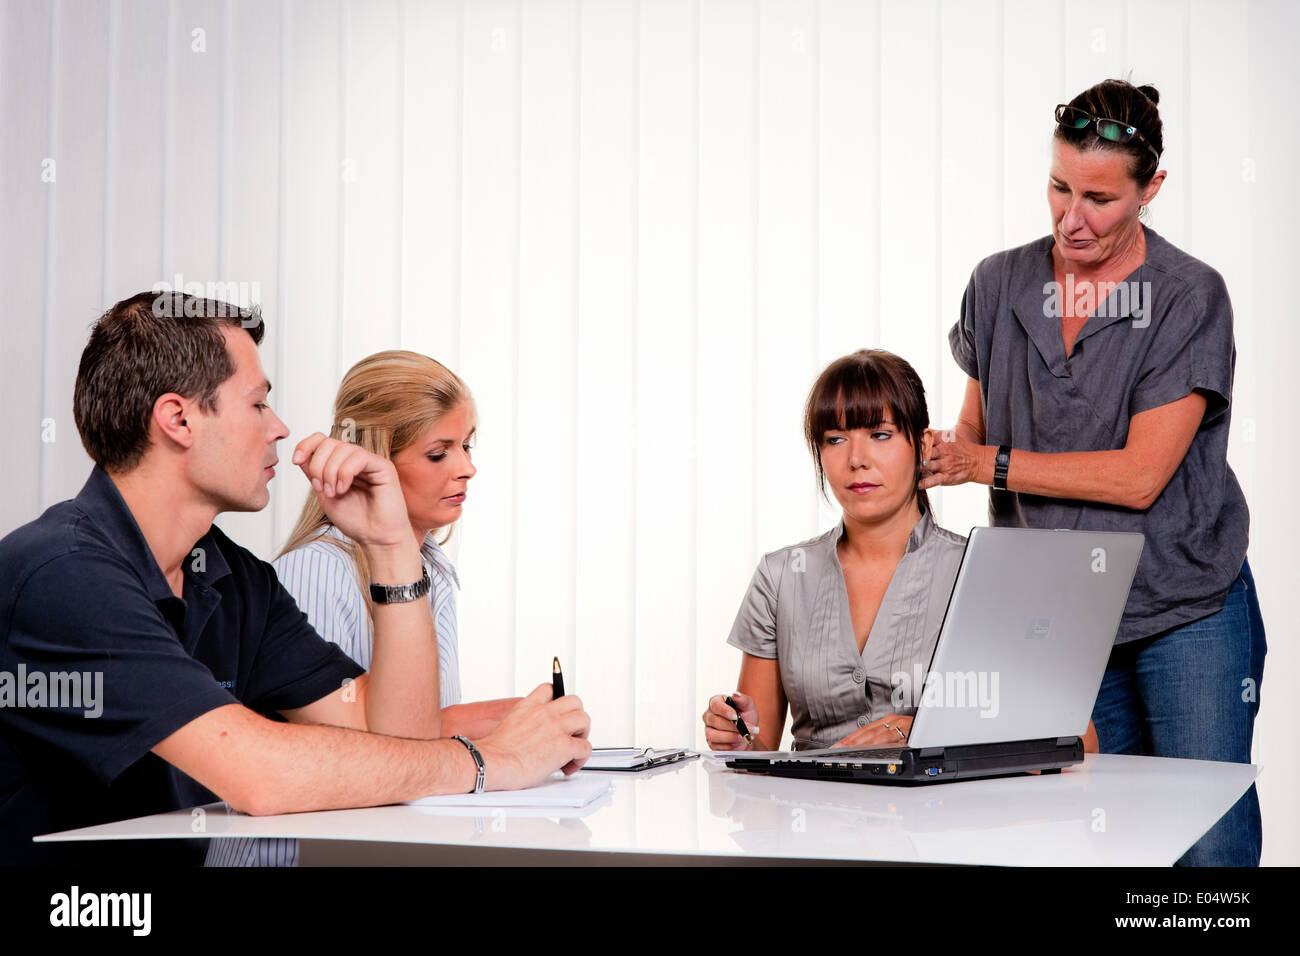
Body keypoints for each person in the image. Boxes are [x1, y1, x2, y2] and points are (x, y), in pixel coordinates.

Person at [0, 291, 591, 865]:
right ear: (178, 418)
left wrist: (388, 547)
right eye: (258, 404)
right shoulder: (62, 574)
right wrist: (492, 761)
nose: (279, 427)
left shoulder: (232, 578)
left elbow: (399, 747)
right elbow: (261, 775)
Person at [924, 78, 1265, 866]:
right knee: (1090, 839)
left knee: (1205, 847)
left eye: (1100, 198)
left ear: (1152, 189)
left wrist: (988, 464)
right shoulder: (999, 284)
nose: (1070, 218)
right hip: (1062, 615)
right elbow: (973, 431)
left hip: (1185, 605)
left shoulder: (1188, 296)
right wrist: (935, 455)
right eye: (1058, 186)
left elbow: (1140, 478)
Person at [207, 351, 517, 866]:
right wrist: (494, 727)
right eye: (440, 453)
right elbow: (346, 756)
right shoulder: (317, 570)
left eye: (466, 445)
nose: (468, 467)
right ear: (376, 464)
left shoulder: (430, 570)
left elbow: (406, 743)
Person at [703, 350, 1052, 752]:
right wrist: (736, 733)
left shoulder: (980, 573)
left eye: (880, 435)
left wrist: (916, 728)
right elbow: (757, 749)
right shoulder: (780, 576)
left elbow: (1074, 736)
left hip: (942, 812)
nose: (856, 460)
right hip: (813, 807)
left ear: (923, 446)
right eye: (835, 439)